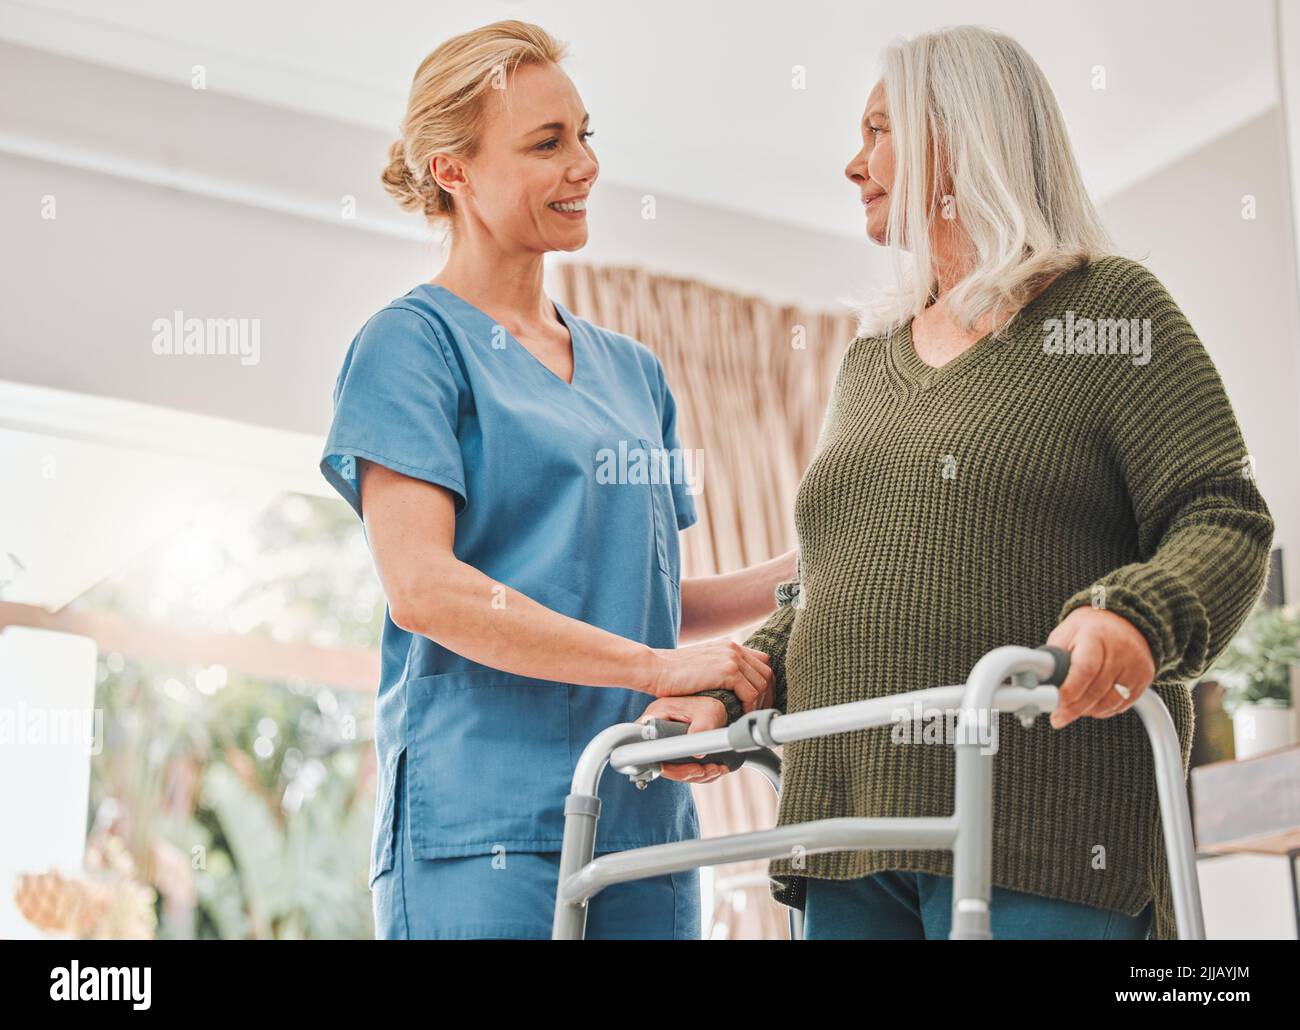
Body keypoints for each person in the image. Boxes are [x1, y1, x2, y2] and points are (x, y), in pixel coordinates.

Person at [655, 24, 1275, 940]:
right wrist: (746, 679)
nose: (852, 164)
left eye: (879, 132)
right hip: (843, 823)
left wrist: (1133, 614)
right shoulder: (869, 361)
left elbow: (1221, 515)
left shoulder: (1109, 307)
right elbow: (835, 585)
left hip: (1047, 820)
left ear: (962, 134)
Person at [320, 20, 787, 939]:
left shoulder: (633, 373)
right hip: (483, 833)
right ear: (453, 171)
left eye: (585, 135)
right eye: (547, 143)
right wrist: (657, 667)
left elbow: (644, 595)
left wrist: (818, 562)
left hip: (644, 814)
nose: (586, 165)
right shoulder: (411, 348)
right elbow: (425, 590)